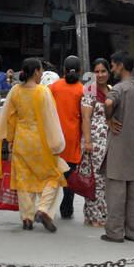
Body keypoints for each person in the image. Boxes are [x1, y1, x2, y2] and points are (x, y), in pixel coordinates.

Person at [0, 58, 67, 232]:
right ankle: (43, 210)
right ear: (36, 72)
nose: (41, 74)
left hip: (21, 142)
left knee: (23, 180)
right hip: (41, 143)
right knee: (52, 176)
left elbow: (10, 119)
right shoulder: (43, 92)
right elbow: (51, 120)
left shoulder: (15, 91)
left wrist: (10, 141)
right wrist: (57, 144)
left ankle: (27, 219)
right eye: (40, 71)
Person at [102, 52, 134, 243]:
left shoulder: (119, 89)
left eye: (113, 66)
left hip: (120, 147)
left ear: (120, 65)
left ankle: (114, 232)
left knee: (116, 191)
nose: (112, 70)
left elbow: (108, 102)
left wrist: (109, 118)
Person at [50, 57, 85, 220]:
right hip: (72, 139)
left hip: (54, 138)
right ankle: (67, 208)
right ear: (79, 71)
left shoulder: (53, 87)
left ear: (63, 70)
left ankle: (45, 207)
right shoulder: (82, 90)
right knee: (69, 174)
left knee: (50, 175)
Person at [79, 59, 112, 228]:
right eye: (97, 72)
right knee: (95, 180)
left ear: (108, 73)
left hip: (108, 141)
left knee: (104, 180)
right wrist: (88, 142)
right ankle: (96, 217)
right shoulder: (89, 92)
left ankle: (92, 216)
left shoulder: (111, 90)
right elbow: (85, 118)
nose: (100, 75)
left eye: (103, 71)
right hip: (93, 142)